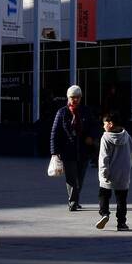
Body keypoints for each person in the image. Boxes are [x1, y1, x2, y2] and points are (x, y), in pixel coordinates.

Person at [50, 84, 98, 212]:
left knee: (80, 178)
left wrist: (91, 137)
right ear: (68, 98)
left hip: (84, 151)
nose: (75, 100)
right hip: (68, 151)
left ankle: (75, 199)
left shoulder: (87, 111)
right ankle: (72, 202)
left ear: (81, 98)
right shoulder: (62, 113)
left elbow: (94, 127)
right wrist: (54, 152)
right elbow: (55, 133)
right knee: (71, 178)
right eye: (72, 97)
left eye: (77, 97)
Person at [96, 112, 132, 230]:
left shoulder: (106, 137)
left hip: (109, 172)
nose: (103, 126)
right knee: (121, 199)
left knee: (103, 194)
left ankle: (104, 214)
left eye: (104, 124)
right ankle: (121, 223)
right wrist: (127, 167)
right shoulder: (127, 136)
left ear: (110, 124)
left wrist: (103, 173)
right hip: (123, 172)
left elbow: (104, 157)